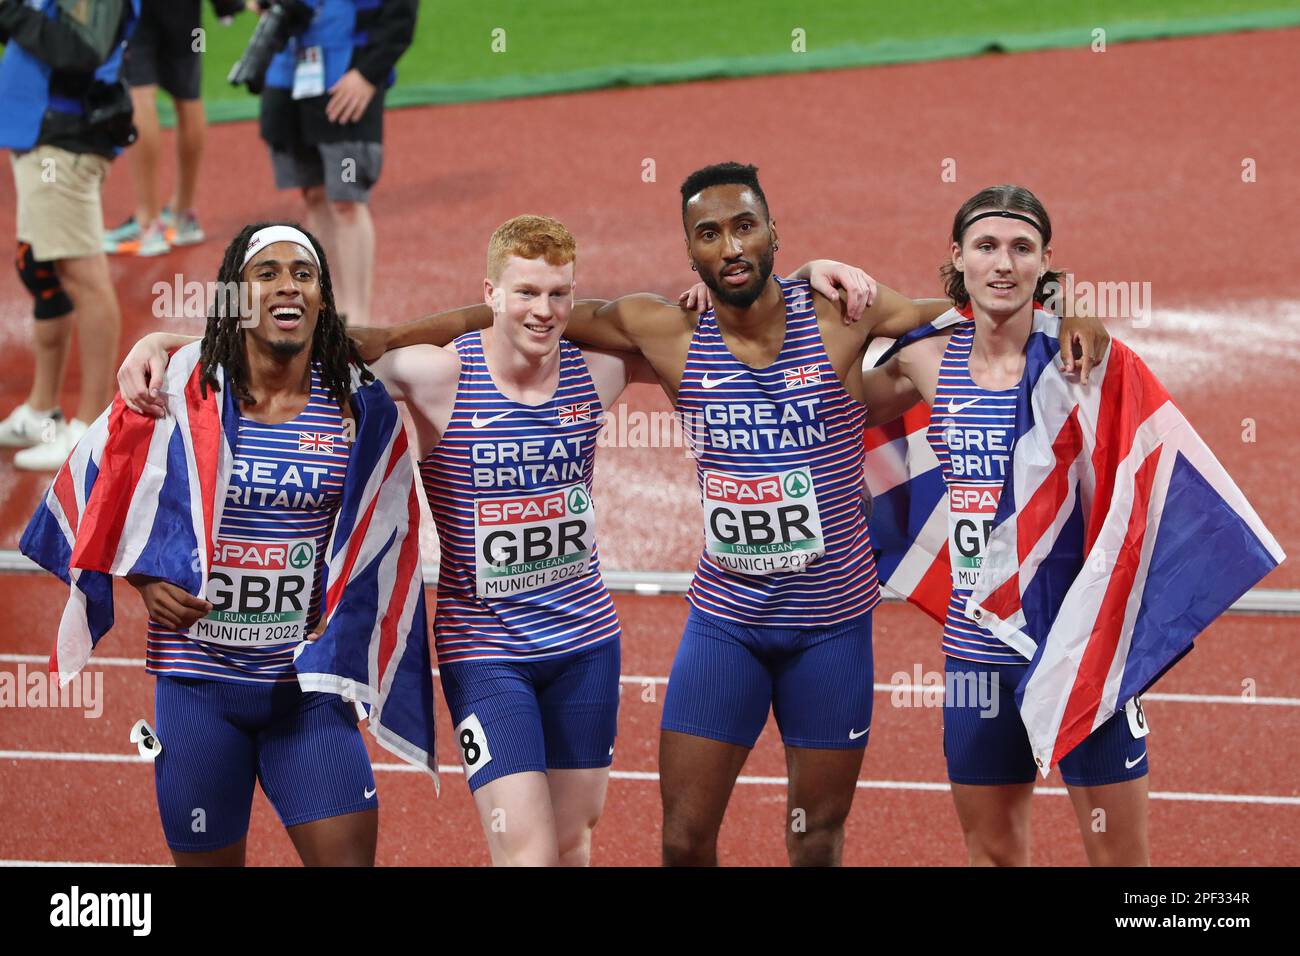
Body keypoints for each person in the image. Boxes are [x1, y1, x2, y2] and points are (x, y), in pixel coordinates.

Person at [340, 162, 1109, 866]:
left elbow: (979, 302)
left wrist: (1063, 303)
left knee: (816, 839)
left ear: (774, 234)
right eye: (709, 233)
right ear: (691, 252)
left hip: (833, 629)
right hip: (726, 628)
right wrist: (385, 338)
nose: (730, 244)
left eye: (745, 226)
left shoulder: (841, 314)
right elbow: (509, 313)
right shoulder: (665, 329)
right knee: (683, 837)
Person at [28, 221, 436, 865]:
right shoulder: (178, 388)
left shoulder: (358, 404)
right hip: (197, 686)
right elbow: (103, 486)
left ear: (322, 299)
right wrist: (141, 575)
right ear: (234, 296)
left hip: (307, 684)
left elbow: (382, 528)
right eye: (266, 273)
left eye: (303, 275)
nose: (288, 286)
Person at [859, 184, 1146, 866]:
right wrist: (799, 284)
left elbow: (1145, 477)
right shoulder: (924, 359)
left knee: (1120, 861)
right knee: (991, 852)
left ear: (1047, 263)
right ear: (957, 257)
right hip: (975, 653)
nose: (1004, 263)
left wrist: (1076, 308)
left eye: (1022, 249)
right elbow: (826, 404)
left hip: (1081, 650)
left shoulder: (1084, 359)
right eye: (986, 247)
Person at [0, 0, 136, 469]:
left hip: (64, 142)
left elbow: (82, 51)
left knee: (84, 279)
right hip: (39, 135)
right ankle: (43, 412)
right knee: (44, 274)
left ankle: (90, 430)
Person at [255, 0, 416, 325]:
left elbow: (401, 15)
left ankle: (358, 320)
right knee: (314, 193)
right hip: (291, 75)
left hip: (348, 75)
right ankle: (329, 309)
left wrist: (369, 73)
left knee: (346, 200)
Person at [102, 0, 227, 256]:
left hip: (138, 8)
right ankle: (184, 214)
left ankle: (148, 222)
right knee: (189, 96)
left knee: (139, 93)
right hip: (184, 11)